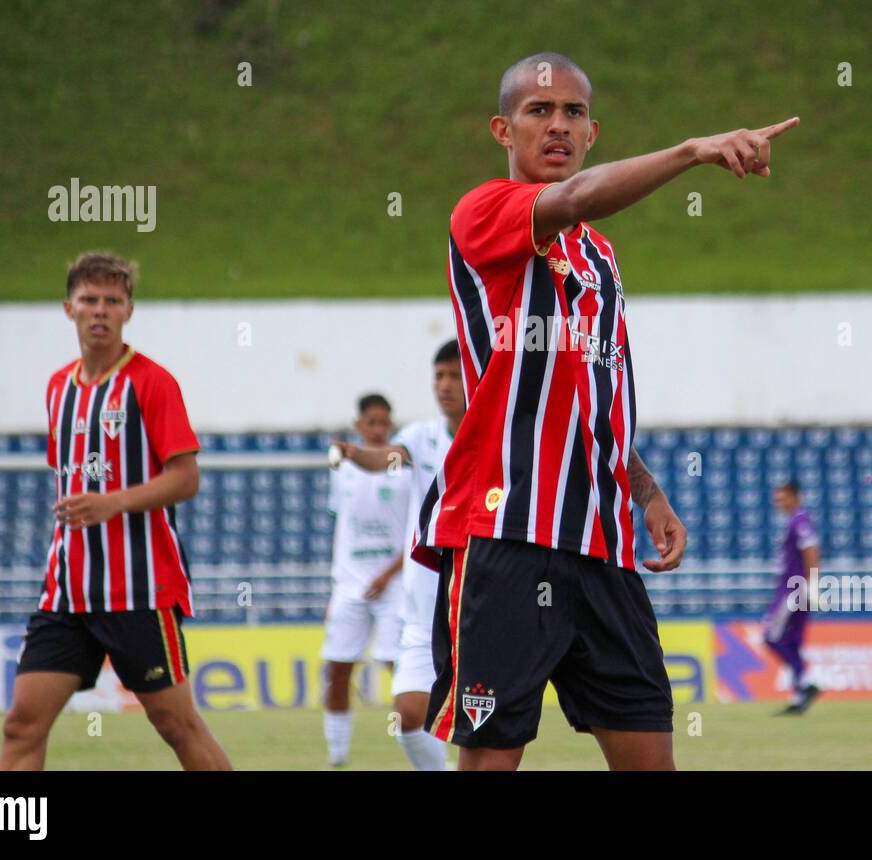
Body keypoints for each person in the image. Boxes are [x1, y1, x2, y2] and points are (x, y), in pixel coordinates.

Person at [410, 51, 801, 770]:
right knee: (494, 757)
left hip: (600, 544)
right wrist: (695, 150)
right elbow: (580, 197)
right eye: (539, 110)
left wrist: (645, 490)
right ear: (503, 128)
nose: (558, 125)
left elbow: (598, 390)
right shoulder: (484, 212)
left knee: (650, 752)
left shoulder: (599, 256)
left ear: (593, 131)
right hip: (507, 532)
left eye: (574, 113)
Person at [0, 251, 230, 770]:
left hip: (138, 591)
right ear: (68, 308)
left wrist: (113, 503)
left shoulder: (152, 382)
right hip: (67, 592)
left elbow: (186, 477)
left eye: (112, 301)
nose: (100, 310)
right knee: (21, 724)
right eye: (89, 300)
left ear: (128, 311)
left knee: (176, 725)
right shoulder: (59, 388)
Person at [331, 340, 464, 771]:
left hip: (476, 604)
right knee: (407, 717)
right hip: (423, 609)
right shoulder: (420, 439)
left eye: (454, 376)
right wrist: (354, 454)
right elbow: (386, 459)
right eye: (439, 375)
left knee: (485, 726)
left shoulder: (499, 434)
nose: (444, 386)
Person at [320, 393, 410, 767]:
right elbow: (342, 522)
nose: (377, 429)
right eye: (370, 422)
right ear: (359, 426)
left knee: (401, 672)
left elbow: (414, 533)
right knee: (339, 669)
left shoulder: (404, 469)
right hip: (350, 585)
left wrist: (389, 573)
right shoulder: (342, 469)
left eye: (383, 422)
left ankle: (428, 754)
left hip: (393, 586)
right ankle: (337, 756)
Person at [761, 482, 821, 714]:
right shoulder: (797, 520)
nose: (778, 502)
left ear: (795, 497)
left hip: (793, 590)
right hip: (796, 588)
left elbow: (811, 550)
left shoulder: (799, 521)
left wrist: (812, 582)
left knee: (770, 636)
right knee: (792, 641)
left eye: (782, 497)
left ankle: (807, 681)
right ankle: (799, 696)